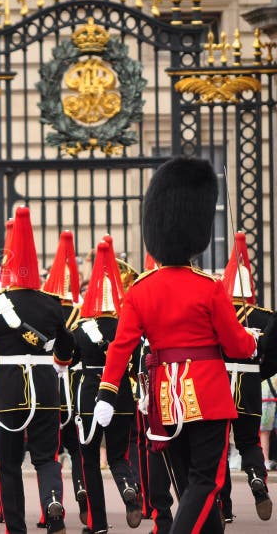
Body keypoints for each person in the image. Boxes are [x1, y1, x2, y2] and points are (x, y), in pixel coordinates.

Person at [94, 156, 264, 534]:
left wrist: (106, 393)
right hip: (207, 395)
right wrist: (251, 343)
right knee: (207, 483)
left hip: (164, 401)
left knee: (189, 485)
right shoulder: (209, 287)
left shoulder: (139, 290)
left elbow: (121, 346)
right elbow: (236, 345)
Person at [0, 205, 74, 534]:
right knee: (46, 457)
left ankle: (15, 527)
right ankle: (53, 503)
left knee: (8, 466)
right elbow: (67, 348)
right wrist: (58, 364)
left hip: (8, 393)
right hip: (45, 391)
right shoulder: (52, 304)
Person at [72, 240, 141, 534]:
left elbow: (66, 359)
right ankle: (127, 487)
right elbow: (137, 363)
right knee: (118, 456)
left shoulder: (81, 329)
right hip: (122, 394)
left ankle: (97, 524)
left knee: (89, 461)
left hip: (90, 395)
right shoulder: (126, 328)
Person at [217, 231, 273, 521]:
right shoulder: (265, 317)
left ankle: (224, 507)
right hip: (250, 382)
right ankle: (256, 479)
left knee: (219, 446)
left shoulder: (219, 313)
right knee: (249, 441)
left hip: (220, 382)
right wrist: (259, 373)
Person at [41, 230, 86, 524]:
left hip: (47, 392)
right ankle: (82, 489)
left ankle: (52, 504)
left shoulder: (44, 312)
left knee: (49, 455)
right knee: (80, 452)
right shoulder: (85, 314)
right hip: (78, 391)